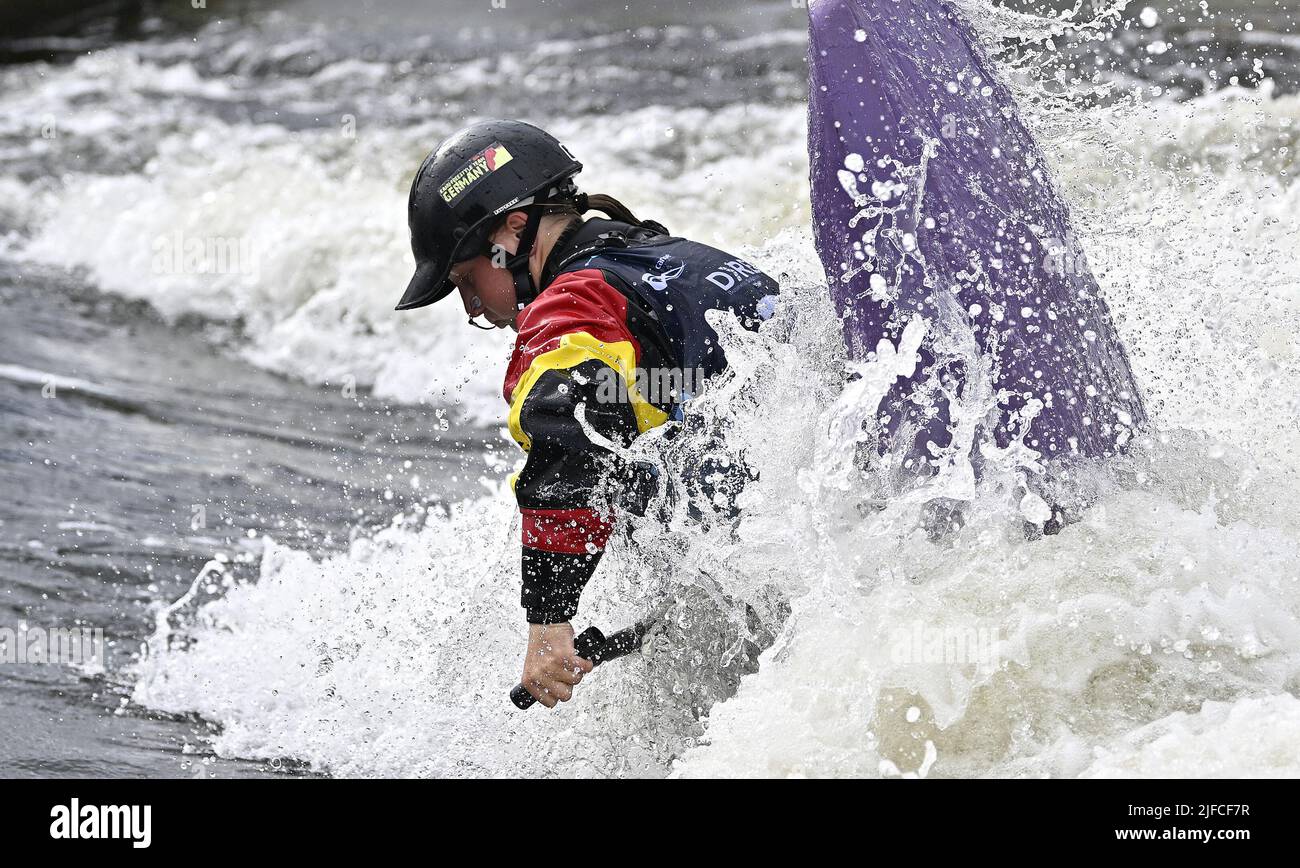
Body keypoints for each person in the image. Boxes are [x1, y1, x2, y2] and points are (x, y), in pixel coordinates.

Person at [397, 119, 779, 708]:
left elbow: (566, 425)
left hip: (769, 558)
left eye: (466, 280)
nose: (473, 306)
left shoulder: (573, 304)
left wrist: (548, 621)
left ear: (512, 230)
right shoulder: (683, 259)